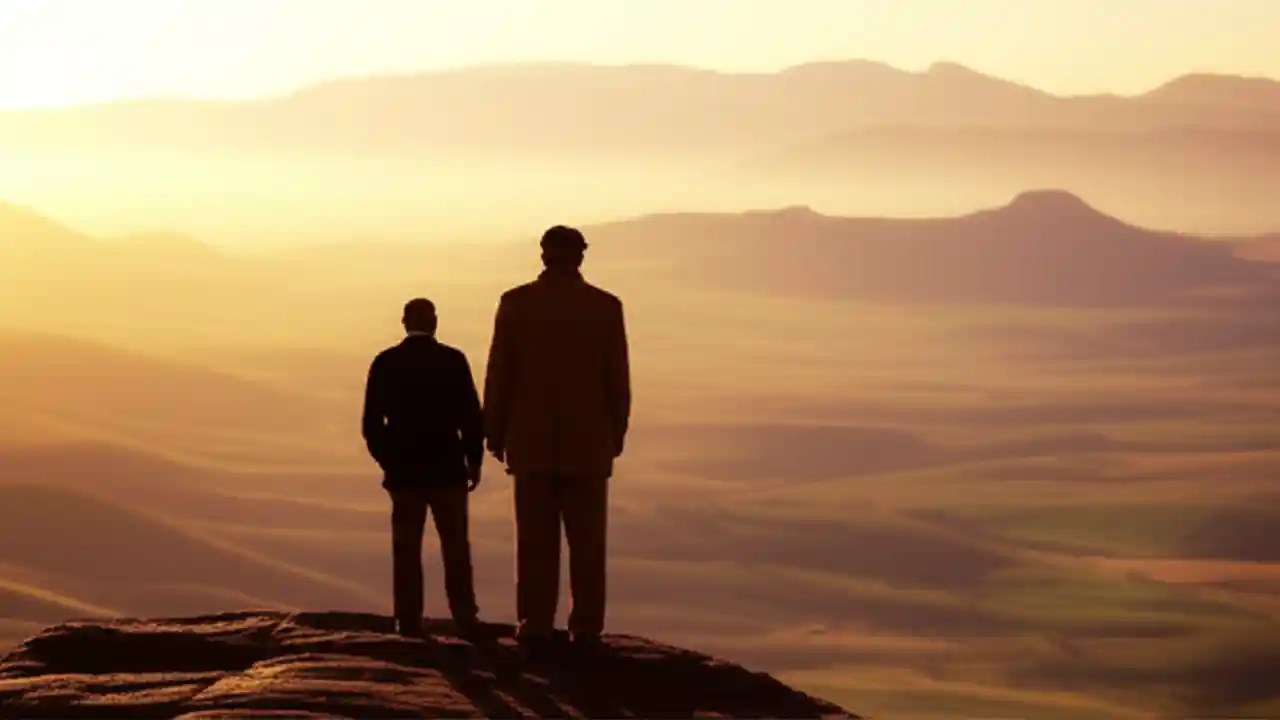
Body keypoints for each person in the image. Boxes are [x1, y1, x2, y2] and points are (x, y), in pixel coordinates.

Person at [484, 225, 631, 649]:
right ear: (580, 257)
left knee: (534, 540)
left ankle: (534, 623)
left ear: (544, 255)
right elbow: (616, 378)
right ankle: (585, 627)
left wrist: (493, 428)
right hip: (589, 443)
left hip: (529, 441)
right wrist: (616, 430)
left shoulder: (515, 304)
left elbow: (500, 372)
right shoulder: (605, 307)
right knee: (587, 543)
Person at [362, 297, 483, 638]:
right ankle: (464, 616)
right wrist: (473, 460)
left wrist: (388, 458)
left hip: (404, 471)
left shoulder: (386, 362)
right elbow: (471, 417)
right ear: (435, 322)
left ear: (403, 322)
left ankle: (408, 619)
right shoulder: (453, 360)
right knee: (456, 546)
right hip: (447, 467)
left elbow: (371, 423)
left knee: (406, 548)